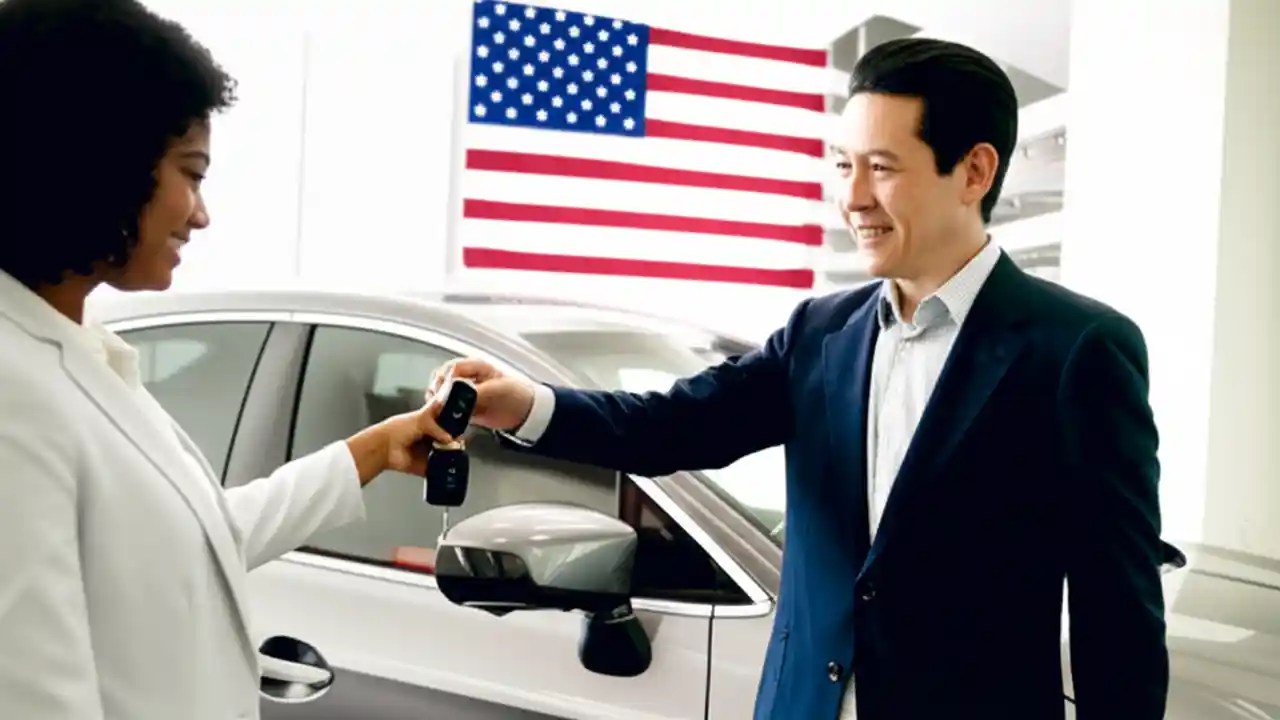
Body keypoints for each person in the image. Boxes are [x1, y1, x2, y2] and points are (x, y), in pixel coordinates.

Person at [427, 38, 1169, 720]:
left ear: (973, 171)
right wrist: (526, 405)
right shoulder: (820, 334)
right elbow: (671, 427)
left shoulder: (1077, 352)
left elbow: (1119, 617)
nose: (852, 197)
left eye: (882, 167)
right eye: (844, 165)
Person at [0, 1, 454, 718]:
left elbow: (196, 541)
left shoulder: (69, 353)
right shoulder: (14, 392)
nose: (200, 214)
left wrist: (370, 451)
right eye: (192, 172)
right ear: (98, 157)